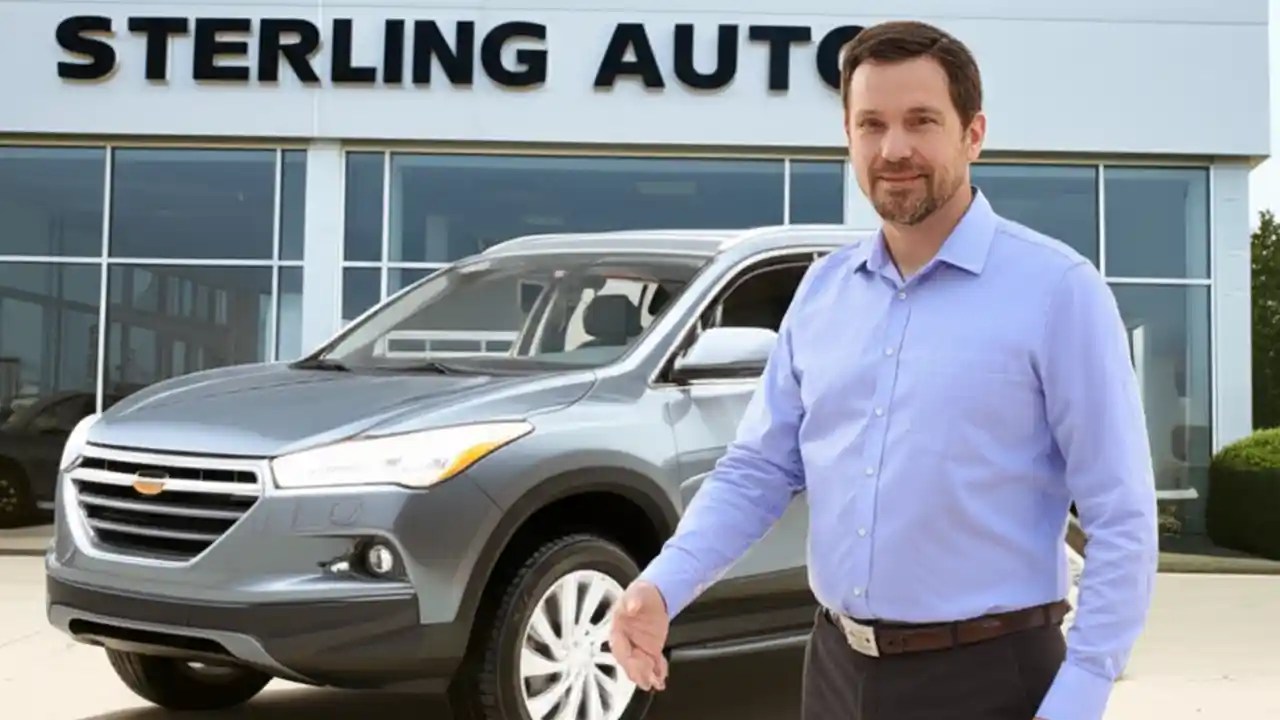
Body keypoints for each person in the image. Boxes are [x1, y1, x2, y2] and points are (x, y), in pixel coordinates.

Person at [607, 19, 1158, 720]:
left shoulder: (1058, 292)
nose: (894, 149)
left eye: (921, 121)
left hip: (995, 681)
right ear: (848, 137)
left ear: (974, 134)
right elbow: (759, 471)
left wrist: (1080, 692)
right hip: (836, 671)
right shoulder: (822, 293)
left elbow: (1122, 516)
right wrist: (662, 587)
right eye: (871, 124)